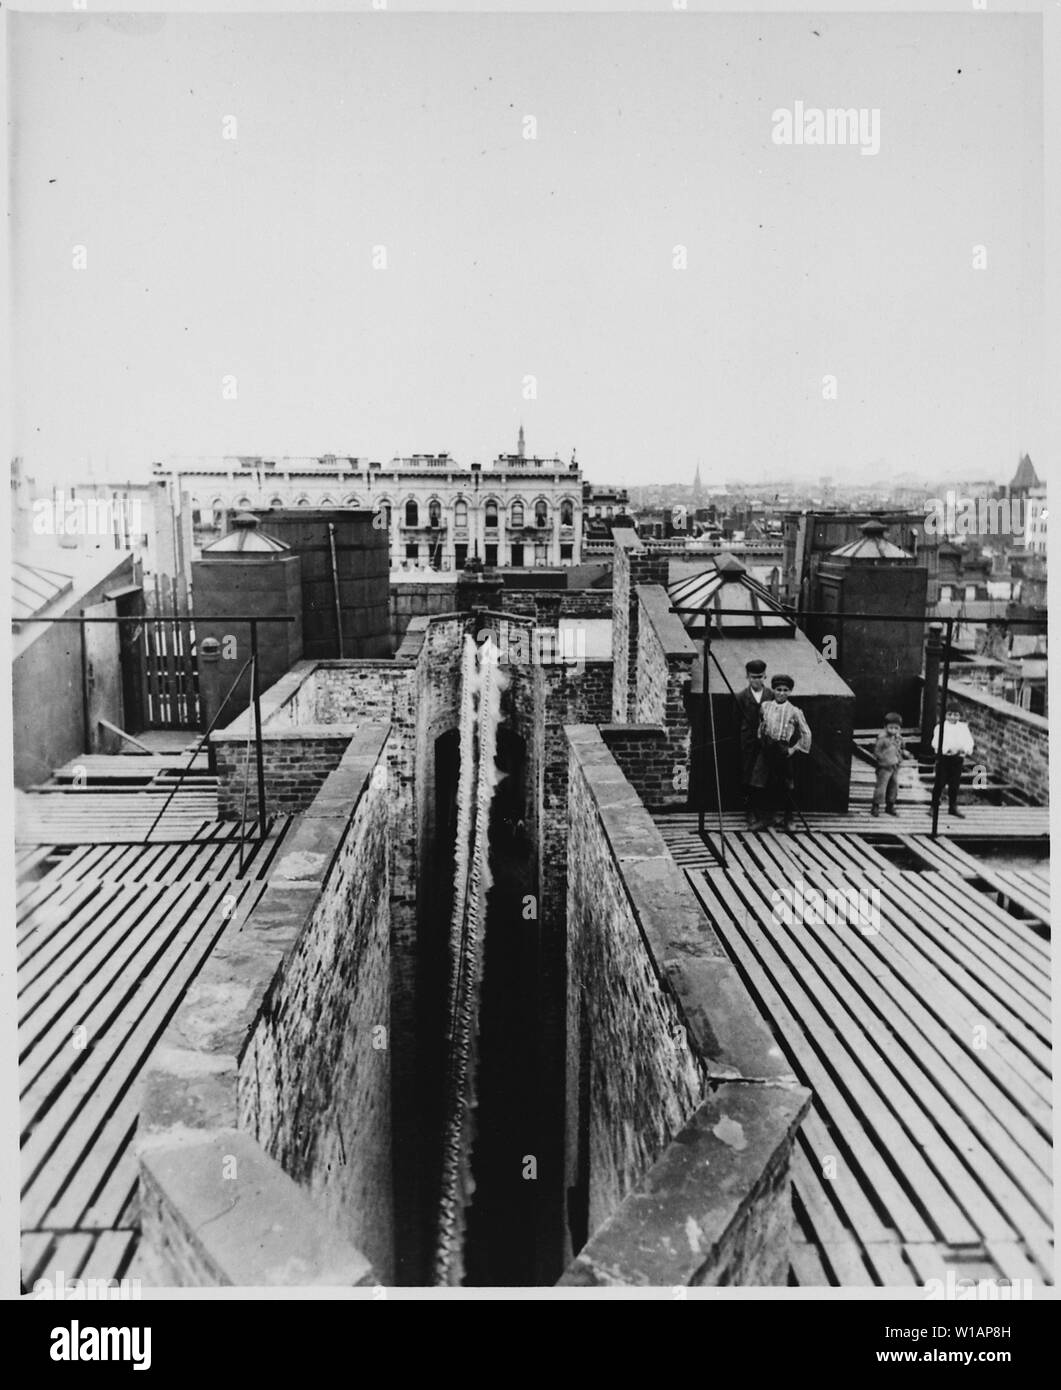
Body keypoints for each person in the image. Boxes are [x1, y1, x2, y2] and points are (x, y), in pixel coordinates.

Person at [749, 674, 812, 831]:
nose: (781, 693)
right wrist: (761, 736)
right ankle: (765, 818)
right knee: (760, 782)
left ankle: (788, 819)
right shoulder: (765, 706)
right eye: (778, 690)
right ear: (773, 690)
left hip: (782, 749)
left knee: (786, 785)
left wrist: (794, 748)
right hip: (766, 749)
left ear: (790, 692)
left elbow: (806, 733)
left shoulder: (794, 711)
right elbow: (761, 723)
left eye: (785, 690)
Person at [735, 659, 773, 827]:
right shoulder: (741, 697)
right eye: (752, 677)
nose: (756, 681)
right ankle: (749, 810)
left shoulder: (771, 695)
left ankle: (764, 811)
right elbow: (735, 720)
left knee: (765, 774)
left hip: (766, 741)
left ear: (765, 676)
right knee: (748, 774)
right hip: (749, 742)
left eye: (759, 677)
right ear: (747, 677)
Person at [930, 708, 975, 818]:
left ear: (959, 716)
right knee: (940, 783)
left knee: (954, 784)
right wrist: (946, 749)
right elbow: (935, 742)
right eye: (949, 714)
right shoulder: (940, 727)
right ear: (945, 715)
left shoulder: (963, 728)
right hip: (944, 759)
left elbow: (969, 742)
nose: (952, 717)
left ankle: (952, 806)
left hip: (957, 759)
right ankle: (934, 806)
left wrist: (965, 749)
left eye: (955, 715)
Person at [871, 712, 911, 818]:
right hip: (884, 766)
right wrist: (882, 760)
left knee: (894, 786)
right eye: (891, 728)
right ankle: (876, 805)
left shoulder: (899, 738)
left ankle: (890, 805)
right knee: (881, 787)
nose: (893, 730)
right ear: (885, 727)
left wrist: (904, 753)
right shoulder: (882, 739)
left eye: (896, 728)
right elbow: (877, 751)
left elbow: (901, 748)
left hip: (895, 766)